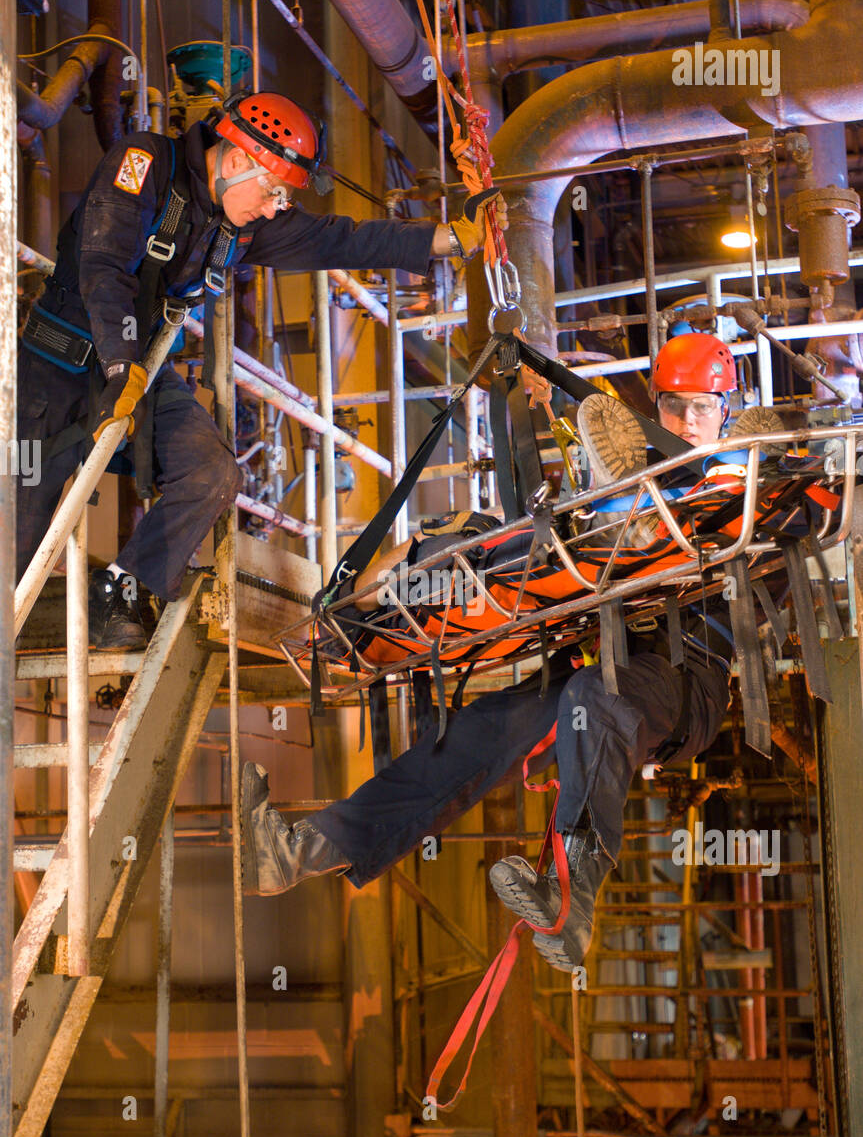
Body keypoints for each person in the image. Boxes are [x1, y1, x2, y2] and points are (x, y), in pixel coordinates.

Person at [240, 332, 786, 971]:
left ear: (729, 407)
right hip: (609, 654)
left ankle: (568, 901)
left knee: (594, 700)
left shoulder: (748, 480)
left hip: (684, 679)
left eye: (704, 408)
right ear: (656, 405)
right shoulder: (645, 480)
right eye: (675, 407)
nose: (689, 423)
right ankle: (297, 852)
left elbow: (784, 517)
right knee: (475, 736)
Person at [17, 89, 501, 647]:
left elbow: (340, 239)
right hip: (54, 371)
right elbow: (103, 268)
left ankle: (122, 588)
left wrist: (450, 239)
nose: (276, 207)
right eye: (274, 191)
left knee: (212, 472)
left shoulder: (243, 222)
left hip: (137, 374)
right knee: (17, 546)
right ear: (237, 159)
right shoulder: (143, 166)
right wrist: (120, 364)